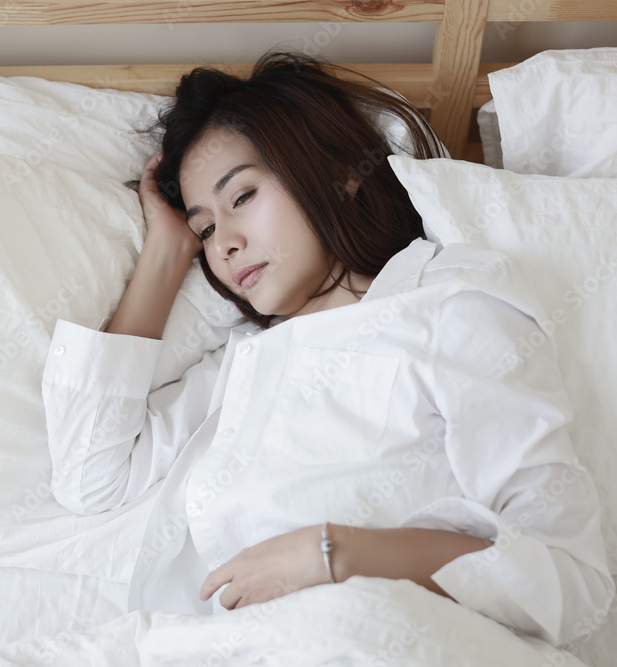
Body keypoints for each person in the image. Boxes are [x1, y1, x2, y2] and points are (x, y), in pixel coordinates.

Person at [41, 51, 613, 646]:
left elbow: (571, 582)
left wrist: (334, 553)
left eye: (241, 197)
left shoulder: (450, 305)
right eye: (205, 228)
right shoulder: (240, 366)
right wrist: (166, 251)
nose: (226, 245)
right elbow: (89, 474)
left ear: (338, 170)